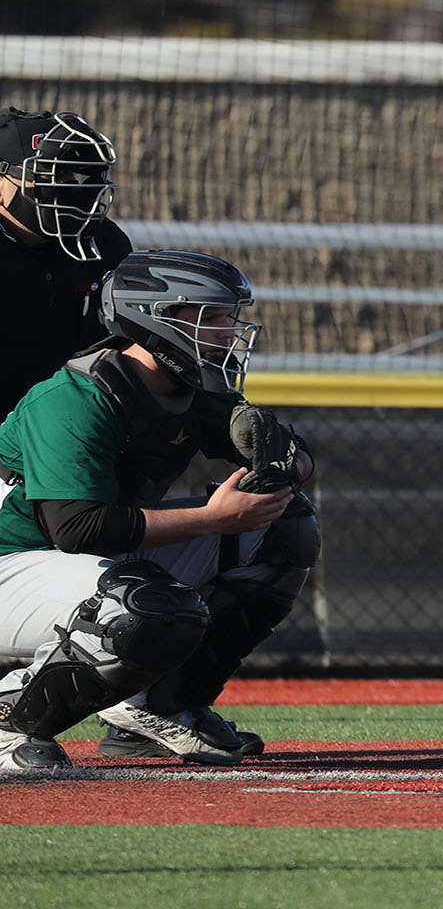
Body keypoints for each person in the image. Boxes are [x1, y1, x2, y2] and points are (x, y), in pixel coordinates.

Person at [0, 250, 320, 771]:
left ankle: (157, 708)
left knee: (285, 526)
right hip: (14, 560)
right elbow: (77, 528)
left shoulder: (191, 389)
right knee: (144, 607)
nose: (228, 333)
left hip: (77, 555)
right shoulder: (74, 400)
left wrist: (285, 464)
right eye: (211, 318)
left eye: (228, 318)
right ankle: (9, 721)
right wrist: (215, 518)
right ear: (156, 319)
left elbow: (298, 456)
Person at [0, 108, 131, 414]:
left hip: (69, 422)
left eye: (76, 175)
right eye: (50, 175)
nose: (71, 186)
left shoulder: (105, 244)